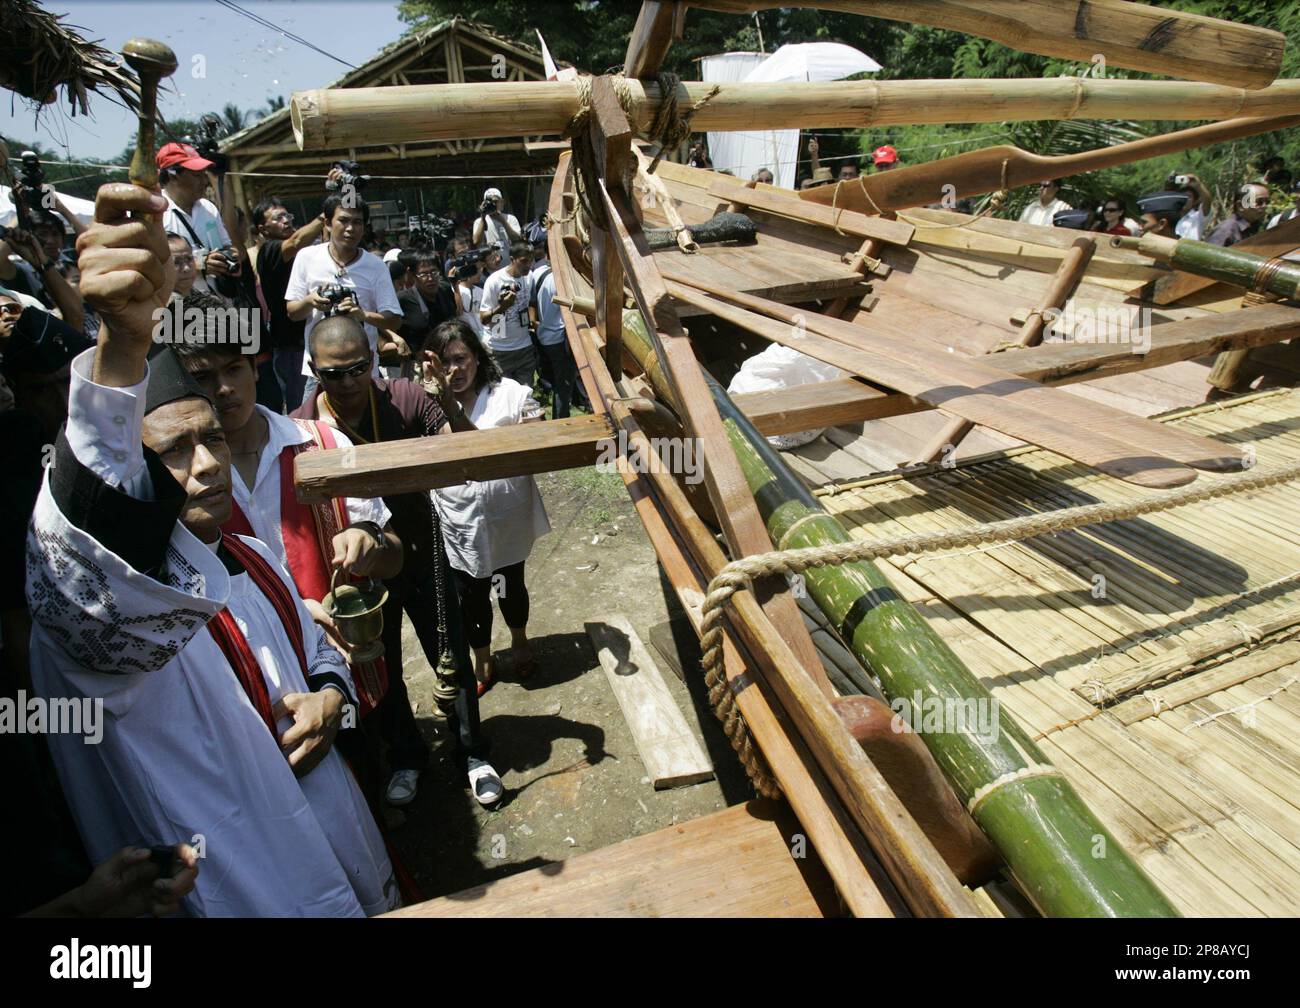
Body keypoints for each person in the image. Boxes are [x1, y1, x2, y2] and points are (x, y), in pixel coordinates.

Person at [27, 181, 397, 916]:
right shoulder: (119, 611)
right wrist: (122, 345)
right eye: (171, 451)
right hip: (238, 884)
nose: (205, 465)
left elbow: (312, 641)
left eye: (212, 439)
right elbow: (87, 546)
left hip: (334, 819)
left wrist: (330, 697)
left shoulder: (246, 552)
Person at [293, 315, 505, 807]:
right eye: (332, 373)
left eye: (356, 369)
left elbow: (465, 451)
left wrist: (445, 397)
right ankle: (406, 755)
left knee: (449, 652)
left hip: (420, 554)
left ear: (372, 361)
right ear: (312, 370)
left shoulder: (404, 397)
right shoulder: (300, 427)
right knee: (379, 667)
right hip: (359, 575)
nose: (347, 383)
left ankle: (473, 751)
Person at [429, 320, 549, 695]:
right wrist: (442, 403)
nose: (454, 370)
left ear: (478, 357)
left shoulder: (510, 394)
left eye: (461, 359)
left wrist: (536, 427)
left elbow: (529, 441)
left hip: (506, 513)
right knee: (472, 590)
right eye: (444, 362)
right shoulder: (426, 403)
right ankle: (482, 655)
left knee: (511, 582)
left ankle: (519, 640)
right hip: (459, 516)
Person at [284, 193, 404, 398]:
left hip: (363, 372)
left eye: (357, 222)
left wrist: (362, 315)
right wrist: (310, 301)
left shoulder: (376, 266)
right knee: (314, 428)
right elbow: (292, 312)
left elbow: (394, 320)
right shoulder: (306, 257)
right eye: (343, 220)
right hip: (320, 372)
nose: (350, 228)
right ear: (328, 224)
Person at [249, 194, 326, 413]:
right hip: (292, 346)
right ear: (263, 229)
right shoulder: (269, 251)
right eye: (278, 218)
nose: (286, 221)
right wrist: (325, 214)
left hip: (311, 340)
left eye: (287, 215)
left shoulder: (303, 254)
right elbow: (295, 241)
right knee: (301, 407)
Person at [158, 141, 239, 296]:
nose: (205, 181)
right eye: (197, 175)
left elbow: (226, 246)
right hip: (179, 310)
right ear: (172, 176)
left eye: (204, 174)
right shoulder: (154, 213)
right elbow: (151, 265)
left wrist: (229, 257)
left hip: (218, 304)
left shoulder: (208, 208)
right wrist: (199, 264)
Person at [479, 240, 537, 386]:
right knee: (502, 397)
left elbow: (532, 302)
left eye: (531, 260)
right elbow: (483, 318)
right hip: (499, 349)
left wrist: (532, 320)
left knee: (526, 395)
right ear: (512, 259)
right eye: (524, 261)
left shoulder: (529, 277)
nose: (528, 265)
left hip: (524, 347)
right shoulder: (494, 281)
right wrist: (502, 307)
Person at [531, 252, 576, 418]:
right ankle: (561, 419)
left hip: (543, 336)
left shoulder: (537, 272)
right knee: (563, 386)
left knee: (557, 382)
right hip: (559, 339)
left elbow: (532, 302)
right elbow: (570, 314)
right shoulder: (563, 282)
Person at [398, 252, 458, 357]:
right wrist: (397, 339)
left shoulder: (445, 290)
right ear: (412, 275)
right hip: (418, 363)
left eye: (434, 272)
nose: (430, 279)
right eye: (423, 274)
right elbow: (384, 328)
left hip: (448, 357)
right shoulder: (403, 299)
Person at [1207, 183, 1271, 247]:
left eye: (1267, 202)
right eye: (1259, 202)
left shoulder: (1255, 228)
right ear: (1240, 205)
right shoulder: (1226, 230)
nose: (1264, 206)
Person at [472, 187, 521, 261]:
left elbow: (517, 240)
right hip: (490, 265)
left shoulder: (510, 219)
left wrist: (503, 222)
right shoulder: (479, 222)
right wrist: (483, 217)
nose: (494, 204)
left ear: (502, 202)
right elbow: (476, 241)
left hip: (508, 263)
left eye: (496, 201)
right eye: (490, 202)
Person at [1166, 172, 1211, 240]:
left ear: (1194, 202)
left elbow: (1207, 202)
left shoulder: (1197, 218)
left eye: (1189, 197)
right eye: (1182, 196)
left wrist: (1198, 185)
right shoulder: (1169, 217)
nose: (1185, 199)